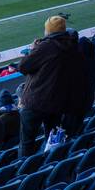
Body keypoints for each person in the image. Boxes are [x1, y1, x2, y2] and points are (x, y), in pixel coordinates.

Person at [18, 16, 85, 157]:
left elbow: (23, 67)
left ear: (48, 30)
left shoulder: (46, 46)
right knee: (52, 140)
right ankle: (48, 165)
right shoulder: (73, 46)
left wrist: (33, 49)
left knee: (27, 141)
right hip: (57, 103)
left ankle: (23, 171)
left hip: (36, 101)